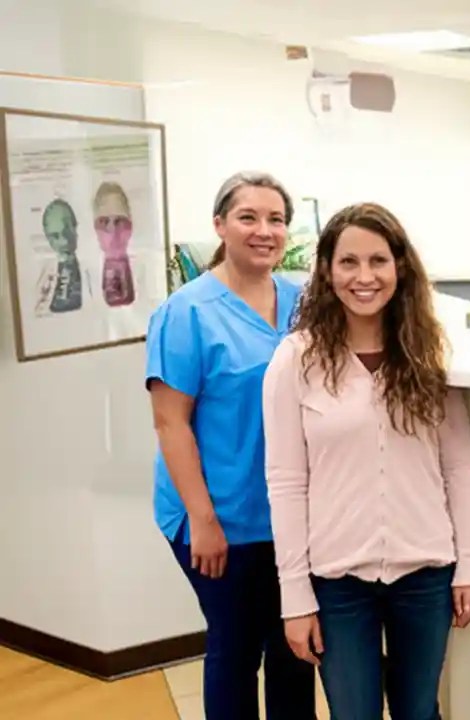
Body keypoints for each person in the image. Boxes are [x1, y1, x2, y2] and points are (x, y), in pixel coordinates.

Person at [263, 202, 470, 720]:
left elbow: (460, 467)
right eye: (349, 262)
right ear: (326, 270)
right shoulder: (296, 360)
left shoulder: (429, 355)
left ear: (400, 267)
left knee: (418, 711)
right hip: (338, 583)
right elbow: (286, 483)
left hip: (426, 574)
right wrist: (295, 596)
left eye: (378, 261)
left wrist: (469, 565)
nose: (365, 277)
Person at [144, 172, 315, 720]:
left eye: (276, 219)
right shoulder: (186, 312)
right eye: (248, 217)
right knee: (236, 650)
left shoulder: (303, 301)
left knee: (295, 649)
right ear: (220, 226)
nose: (264, 231)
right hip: (218, 518)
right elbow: (171, 424)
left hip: (289, 515)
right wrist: (204, 520)